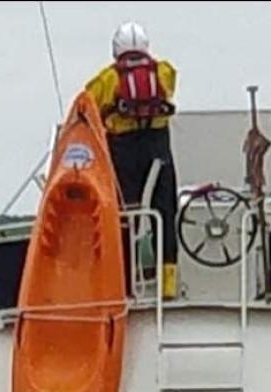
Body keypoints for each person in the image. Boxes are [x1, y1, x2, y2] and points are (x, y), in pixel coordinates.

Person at [85, 21, 180, 298]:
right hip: (159, 147)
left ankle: (125, 283)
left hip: (123, 150)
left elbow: (88, 103)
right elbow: (170, 89)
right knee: (165, 210)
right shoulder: (164, 71)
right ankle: (169, 282)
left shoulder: (107, 79)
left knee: (125, 215)